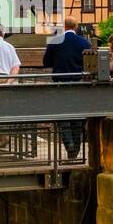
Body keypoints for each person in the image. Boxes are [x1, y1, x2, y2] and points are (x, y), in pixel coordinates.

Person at [44, 17, 92, 159]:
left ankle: (69, 144)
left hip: (60, 84)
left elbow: (46, 61)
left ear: (63, 26)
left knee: (63, 115)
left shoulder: (55, 41)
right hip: (78, 84)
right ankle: (76, 148)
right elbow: (89, 64)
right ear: (76, 26)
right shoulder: (85, 42)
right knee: (77, 115)